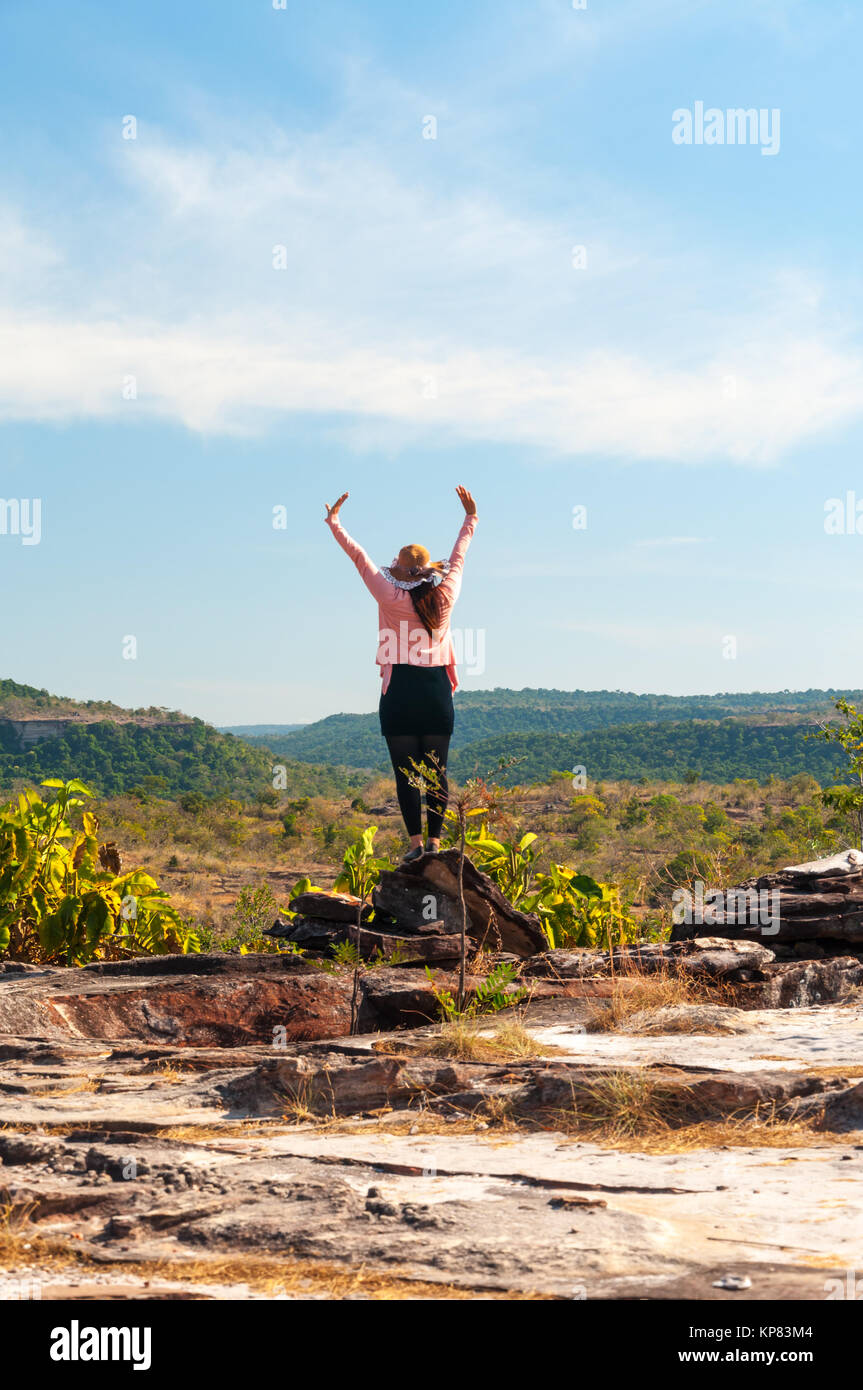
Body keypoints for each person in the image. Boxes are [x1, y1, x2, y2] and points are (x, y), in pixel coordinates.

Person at [324, 485, 478, 862]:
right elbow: (458, 557)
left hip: (400, 692)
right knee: (436, 772)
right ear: (427, 571)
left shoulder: (389, 596)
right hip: (436, 689)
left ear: (399, 570)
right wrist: (470, 518)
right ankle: (437, 844)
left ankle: (415, 846)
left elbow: (359, 557)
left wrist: (335, 523)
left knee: (407, 772)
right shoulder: (445, 596)